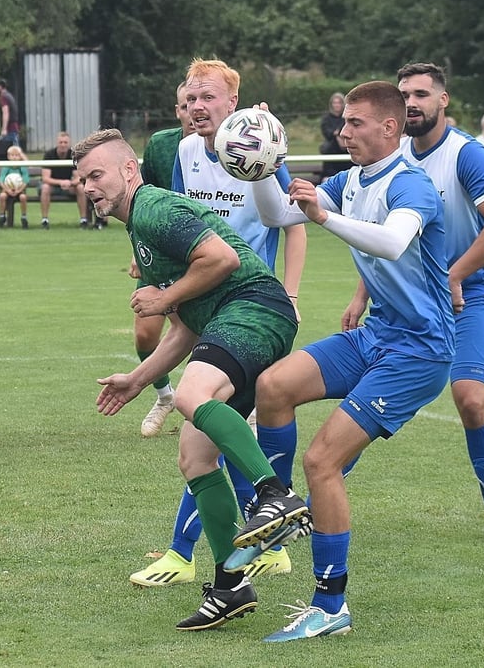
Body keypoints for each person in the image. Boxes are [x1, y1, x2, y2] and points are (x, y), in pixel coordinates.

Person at [73, 128, 309, 631]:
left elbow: (220, 260)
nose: (88, 186)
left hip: (254, 307)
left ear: (129, 170)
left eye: (96, 174)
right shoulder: (140, 226)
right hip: (231, 319)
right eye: (82, 179)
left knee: (193, 394)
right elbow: (184, 329)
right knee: (195, 454)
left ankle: (275, 494)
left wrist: (161, 296)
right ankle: (230, 585)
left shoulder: (153, 207)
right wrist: (137, 379)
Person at [249, 81, 452, 642]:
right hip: (376, 335)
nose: (344, 132)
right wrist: (265, 157)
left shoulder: (413, 185)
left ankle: (331, 605)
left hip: (418, 352)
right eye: (344, 123)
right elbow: (276, 217)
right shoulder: (350, 180)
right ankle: (281, 508)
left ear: (389, 127)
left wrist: (324, 218)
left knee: (323, 462)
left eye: (355, 124)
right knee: (273, 386)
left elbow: (391, 243)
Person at [130, 59, 307, 589]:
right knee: (209, 432)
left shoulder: (258, 147)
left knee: (207, 425)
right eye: (188, 99)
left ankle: (208, 552)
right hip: (211, 307)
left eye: (207, 97)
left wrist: (292, 294)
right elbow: (187, 225)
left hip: (251, 310)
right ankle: (254, 548)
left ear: (235, 103)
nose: (195, 108)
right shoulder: (182, 151)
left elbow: (291, 224)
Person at [394, 63, 484, 545]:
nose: (412, 102)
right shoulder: (397, 155)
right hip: (407, 299)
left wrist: (454, 274)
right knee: (362, 394)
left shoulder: (465, 154)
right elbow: (388, 233)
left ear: (443, 100)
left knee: (470, 396)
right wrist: (362, 293)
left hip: (469, 296)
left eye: (422, 93)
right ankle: (311, 503)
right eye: (405, 93)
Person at [129, 81, 194, 443]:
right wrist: (138, 253)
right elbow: (141, 198)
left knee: (199, 330)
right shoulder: (160, 145)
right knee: (144, 333)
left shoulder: (227, 146)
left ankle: (240, 407)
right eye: (185, 104)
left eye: (198, 102)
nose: (191, 111)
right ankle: (164, 396)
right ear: (177, 110)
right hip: (160, 254)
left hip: (202, 253)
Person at [38, 131, 90, 229]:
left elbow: (78, 177)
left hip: (69, 186)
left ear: (69, 143)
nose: (63, 145)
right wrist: (60, 182)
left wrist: (70, 183)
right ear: (57, 143)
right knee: (45, 188)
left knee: (80, 187)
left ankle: (83, 220)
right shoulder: (49, 155)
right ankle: (45, 220)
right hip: (52, 186)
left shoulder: (73, 155)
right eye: (61, 142)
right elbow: (45, 178)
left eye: (65, 142)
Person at [319, 92, 353, 179]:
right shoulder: (326, 119)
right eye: (335, 103)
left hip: (346, 152)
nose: (337, 105)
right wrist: (335, 135)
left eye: (339, 103)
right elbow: (327, 132)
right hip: (332, 149)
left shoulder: (347, 118)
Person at [0, 144, 30, 228]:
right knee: (2, 196)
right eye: (12, 155)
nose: (14, 157)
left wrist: (19, 190)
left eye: (17, 155)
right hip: (7, 189)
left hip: (19, 190)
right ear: (8, 156)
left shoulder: (22, 167)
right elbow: (1, 180)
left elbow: (25, 181)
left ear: (20, 156)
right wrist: (7, 190)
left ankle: (24, 217)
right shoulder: (6, 167)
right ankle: (2, 216)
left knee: (23, 197)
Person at [0, 79, 21, 154]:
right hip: (14, 126)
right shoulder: (8, 95)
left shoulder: (4, 97)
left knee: (12, 151)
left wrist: (4, 129)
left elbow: (6, 112)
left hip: (10, 127)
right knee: (16, 148)